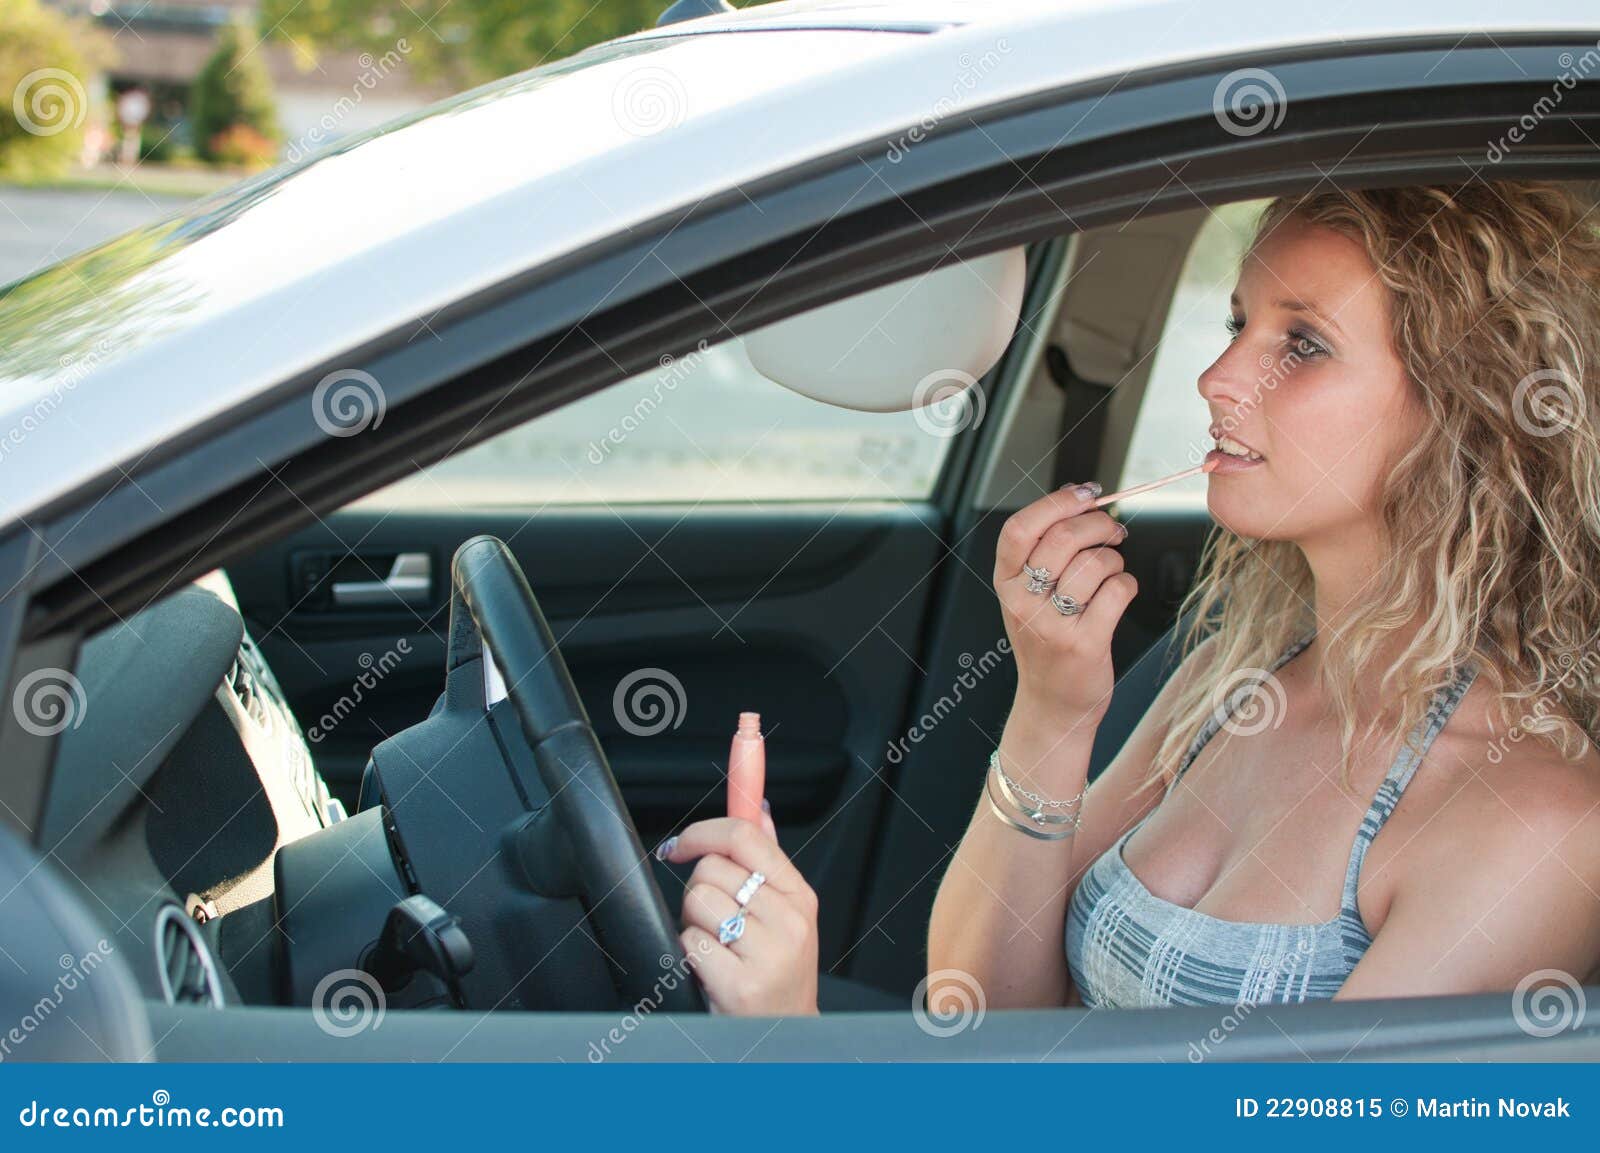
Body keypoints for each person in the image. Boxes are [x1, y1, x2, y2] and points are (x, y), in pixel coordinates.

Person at [655, 181, 1600, 1014]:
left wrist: (789, 1055)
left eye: (1302, 343)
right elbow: (982, 1015)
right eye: (1239, 324)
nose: (1217, 377)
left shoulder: (1536, 822)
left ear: (1464, 411)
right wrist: (1053, 707)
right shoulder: (1235, 675)